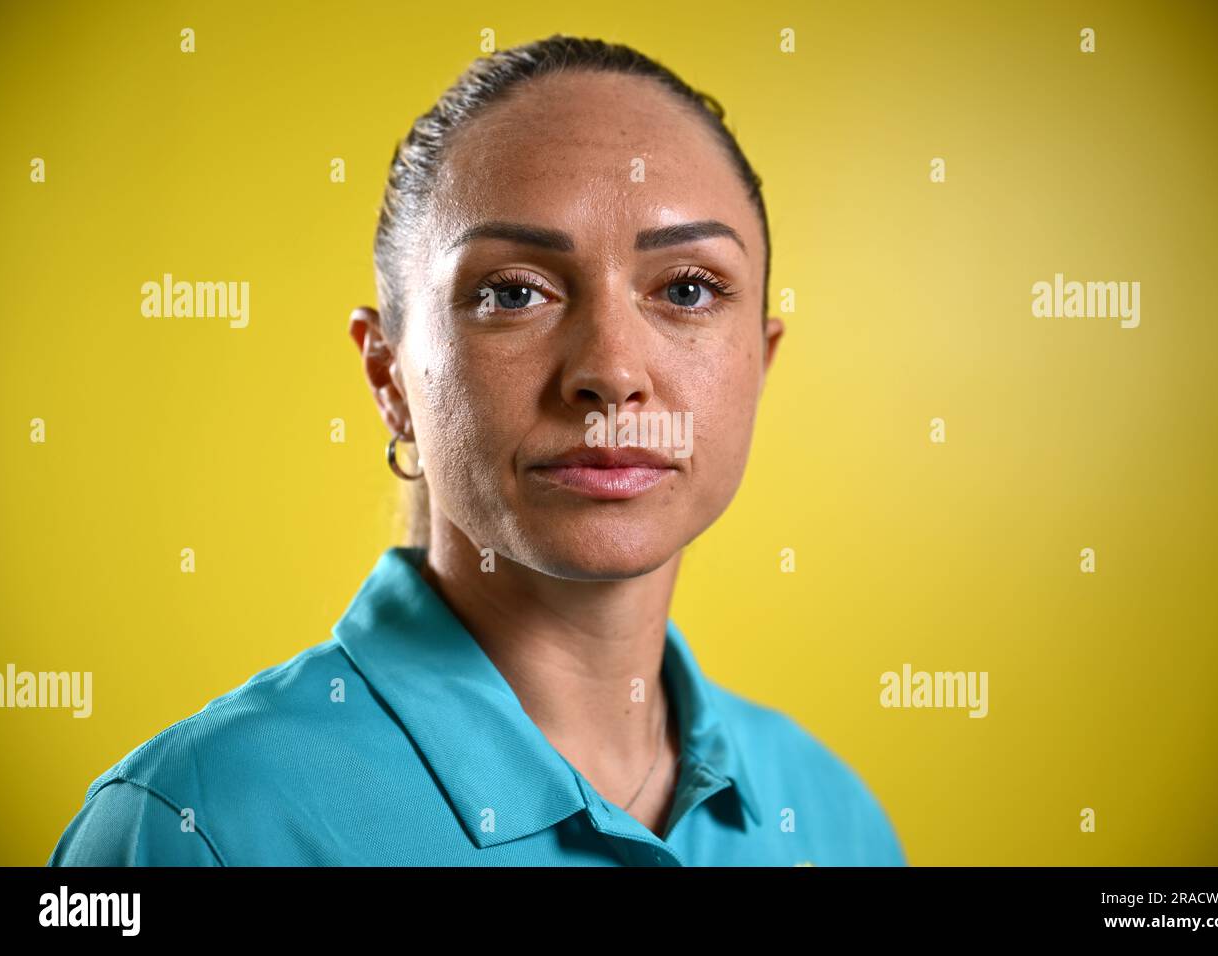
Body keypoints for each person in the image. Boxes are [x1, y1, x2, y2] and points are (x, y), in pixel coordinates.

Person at [47, 34, 906, 866]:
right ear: (389, 376)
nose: (610, 371)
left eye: (687, 288)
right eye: (512, 292)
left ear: (760, 363)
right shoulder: (194, 827)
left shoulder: (831, 816)